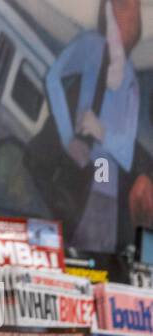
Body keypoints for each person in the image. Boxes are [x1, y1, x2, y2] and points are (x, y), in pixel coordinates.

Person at [45, 0, 142, 251]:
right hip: (74, 174)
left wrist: (102, 132)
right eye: (125, 9)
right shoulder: (91, 46)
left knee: (93, 260)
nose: (131, 20)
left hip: (103, 187)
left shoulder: (131, 80)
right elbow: (53, 77)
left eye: (135, 11)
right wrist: (68, 137)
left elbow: (126, 154)